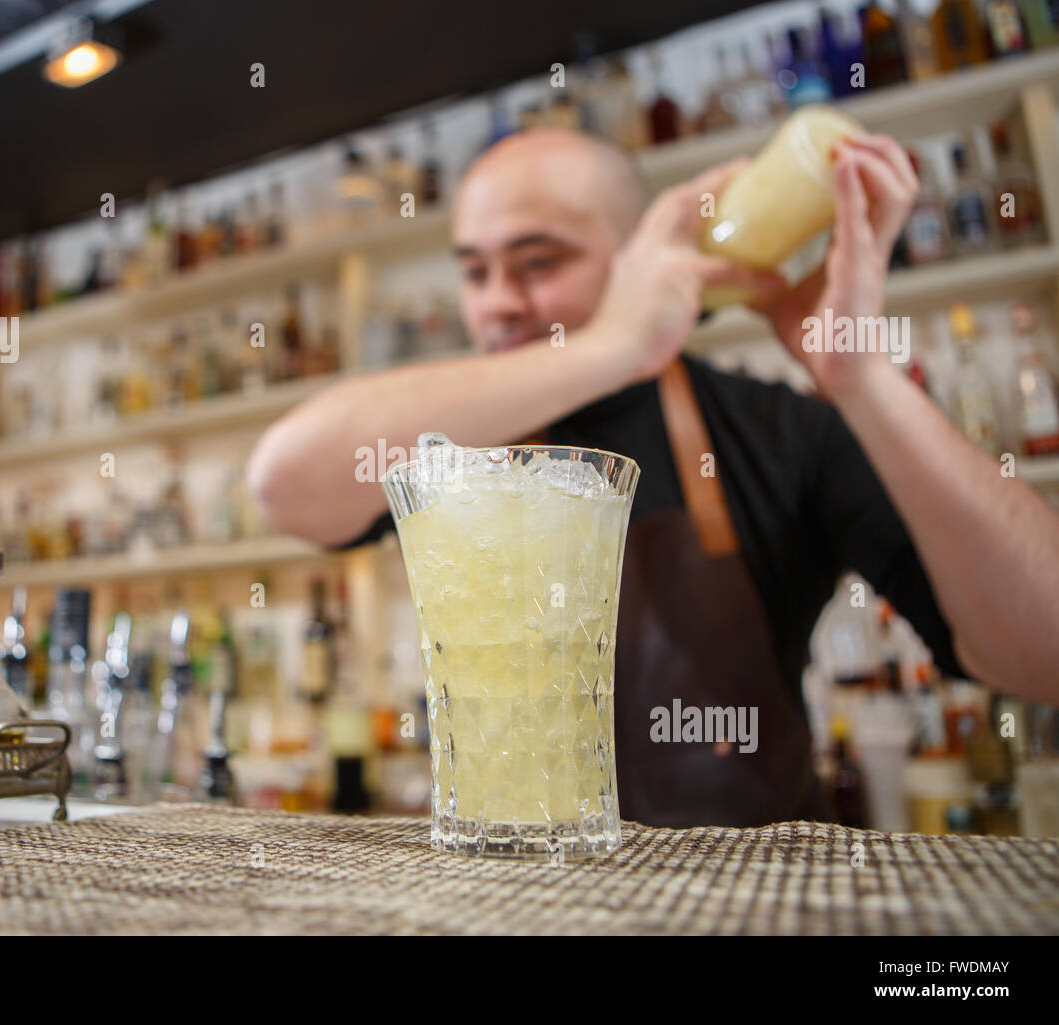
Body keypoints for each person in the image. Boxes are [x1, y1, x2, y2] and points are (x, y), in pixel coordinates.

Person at [246, 126, 1059, 827]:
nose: (497, 303)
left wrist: (862, 379)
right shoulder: (463, 444)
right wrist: (609, 347)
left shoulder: (777, 428)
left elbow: (1042, 653)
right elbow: (284, 481)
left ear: (644, 255)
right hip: (512, 906)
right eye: (475, 271)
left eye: (537, 261)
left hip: (758, 905)